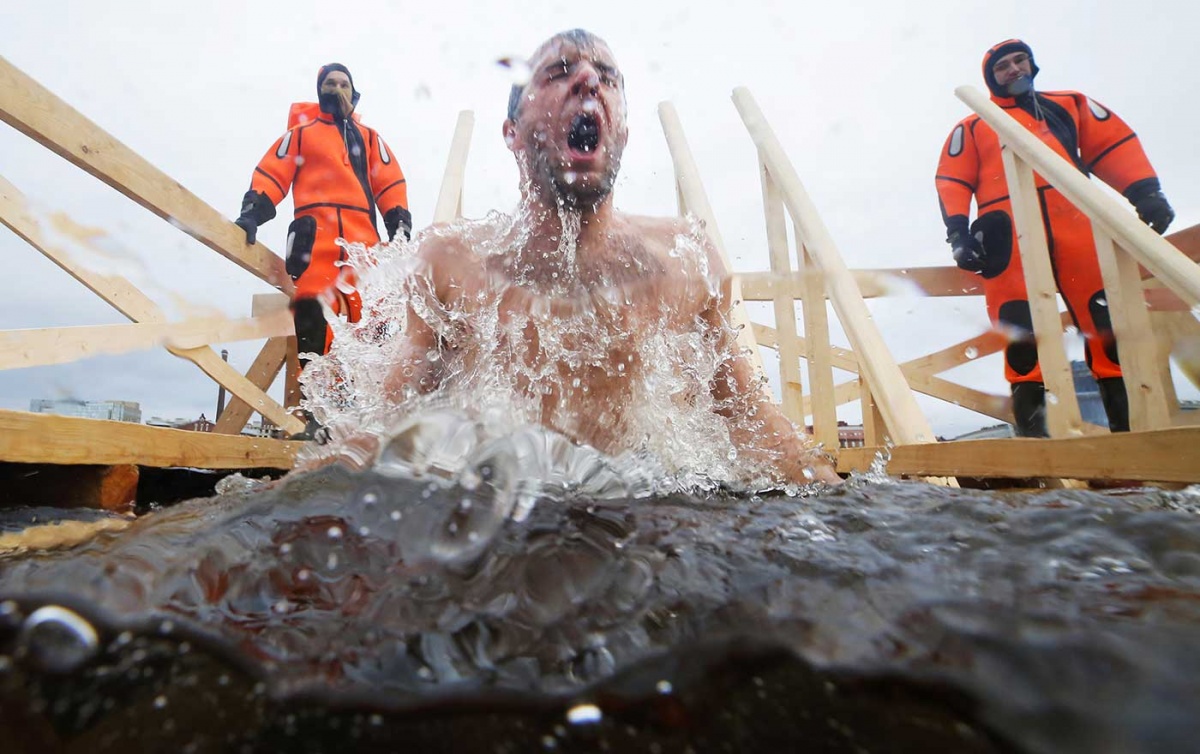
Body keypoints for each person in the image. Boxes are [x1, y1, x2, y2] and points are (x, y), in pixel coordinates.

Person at [378, 29, 839, 486]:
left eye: (608, 77)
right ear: (512, 132)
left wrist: (832, 507)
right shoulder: (451, 263)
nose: (587, 80)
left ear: (622, 129)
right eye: (558, 73)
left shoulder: (685, 261)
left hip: (637, 520)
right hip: (499, 517)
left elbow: (746, 421)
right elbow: (390, 425)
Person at [935, 39, 1175, 437]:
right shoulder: (975, 125)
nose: (1013, 70)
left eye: (1019, 61)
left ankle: (1127, 441)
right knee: (1021, 334)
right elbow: (952, 179)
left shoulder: (1068, 105)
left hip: (1079, 228)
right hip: (1007, 239)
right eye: (1002, 67)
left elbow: (1113, 145)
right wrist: (959, 233)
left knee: (1106, 326)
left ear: (1032, 64)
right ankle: (1036, 445)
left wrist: (1145, 193)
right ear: (990, 79)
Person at [234, 63, 412, 367]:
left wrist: (399, 228)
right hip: (314, 240)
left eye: (344, 83)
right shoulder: (301, 135)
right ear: (320, 91)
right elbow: (274, 172)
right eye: (331, 83)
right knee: (312, 312)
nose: (338, 89)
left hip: (362, 243)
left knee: (373, 315)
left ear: (354, 91)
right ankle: (317, 401)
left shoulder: (369, 139)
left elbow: (389, 183)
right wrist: (253, 213)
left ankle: (369, 398)